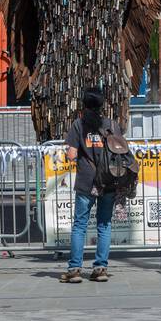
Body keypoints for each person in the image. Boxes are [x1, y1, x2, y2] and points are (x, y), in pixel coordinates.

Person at [61, 87, 125, 283]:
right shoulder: (112, 125)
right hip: (108, 180)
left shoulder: (79, 125)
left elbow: (71, 155)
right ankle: (100, 268)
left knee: (80, 225)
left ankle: (74, 269)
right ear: (101, 104)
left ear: (84, 104)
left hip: (86, 181)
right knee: (104, 224)